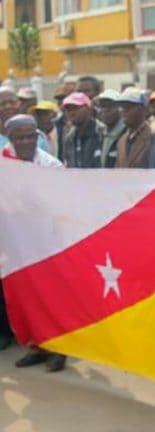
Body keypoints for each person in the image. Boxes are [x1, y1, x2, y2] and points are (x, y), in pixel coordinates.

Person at [1, 114, 67, 371]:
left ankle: (59, 350)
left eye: (32, 136)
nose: (27, 141)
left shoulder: (51, 165)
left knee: (52, 299)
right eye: (21, 137)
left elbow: (61, 202)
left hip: (46, 242)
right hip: (16, 243)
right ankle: (37, 347)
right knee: (27, 299)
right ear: (11, 138)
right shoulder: (3, 163)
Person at [0, 86, 49, 153]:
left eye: (12, 102)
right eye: (2, 104)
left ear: (20, 105)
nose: (8, 106)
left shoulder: (38, 136)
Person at [61, 92, 103, 168]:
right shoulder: (69, 138)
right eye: (68, 109)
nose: (72, 112)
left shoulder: (101, 132)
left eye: (76, 108)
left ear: (88, 109)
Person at [116, 87, 151, 168]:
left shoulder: (153, 137)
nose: (123, 110)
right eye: (121, 106)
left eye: (128, 106)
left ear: (144, 110)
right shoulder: (121, 140)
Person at [95, 89, 126, 168]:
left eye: (110, 106)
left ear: (120, 109)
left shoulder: (126, 133)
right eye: (102, 106)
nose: (105, 110)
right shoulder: (99, 133)